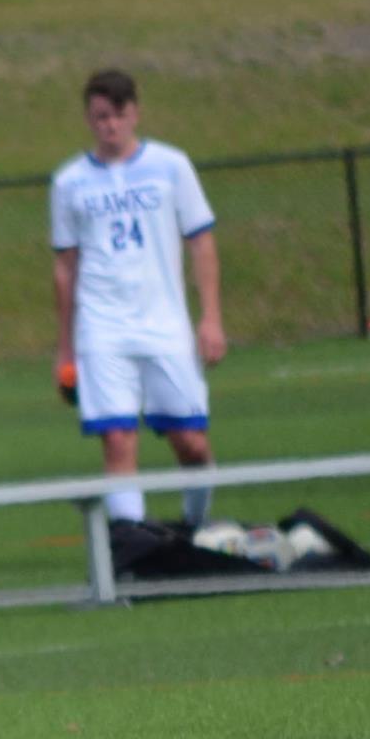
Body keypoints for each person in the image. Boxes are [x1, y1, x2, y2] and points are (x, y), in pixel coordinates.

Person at [51, 69, 225, 527]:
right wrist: (65, 347)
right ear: (89, 119)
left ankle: (195, 525)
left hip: (164, 323)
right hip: (102, 327)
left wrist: (210, 319)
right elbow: (65, 266)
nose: (110, 126)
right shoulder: (69, 182)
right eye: (101, 116)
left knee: (191, 442)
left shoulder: (170, 166)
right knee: (117, 440)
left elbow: (201, 241)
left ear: (136, 114)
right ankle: (129, 546)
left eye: (119, 115)